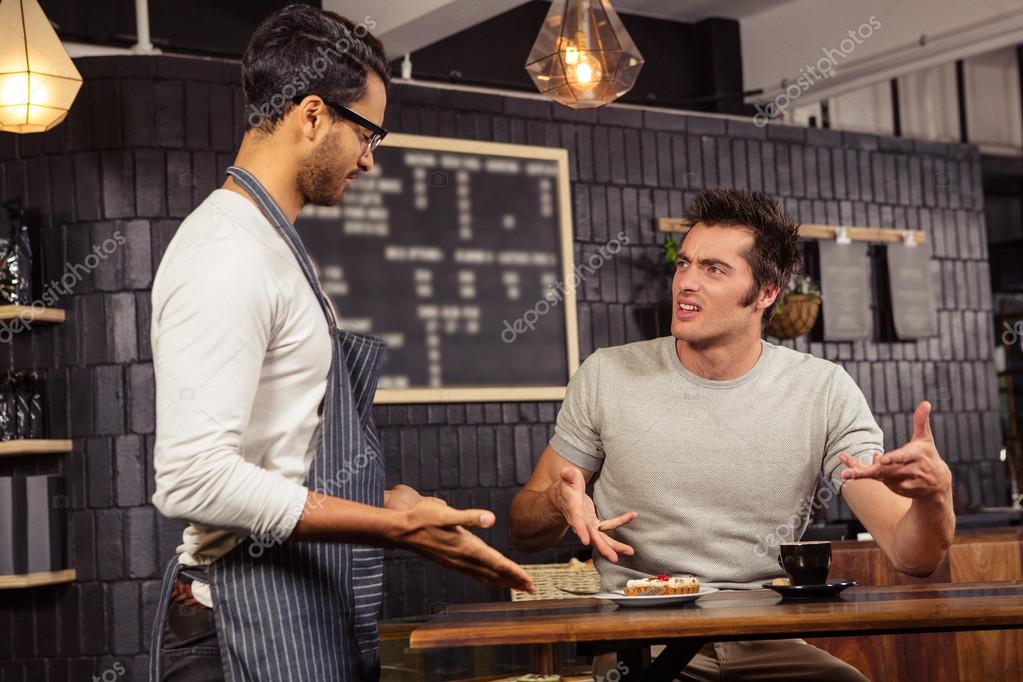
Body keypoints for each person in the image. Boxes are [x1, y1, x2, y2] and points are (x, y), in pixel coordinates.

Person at [148, 5, 533, 681]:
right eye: (369, 134)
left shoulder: (272, 249)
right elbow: (193, 477)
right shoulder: (226, 254)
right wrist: (394, 531)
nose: (370, 160)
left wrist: (391, 506)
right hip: (241, 622)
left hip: (298, 605)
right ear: (313, 115)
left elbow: (280, 458)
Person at [509, 187, 954, 680]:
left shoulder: (823, 389)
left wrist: (935, 498)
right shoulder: (607, 375)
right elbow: (523, 529)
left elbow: (910, 555)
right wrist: (557, 502)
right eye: (684, 264)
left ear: (766, 293)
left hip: (765, 638)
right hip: (644, 643)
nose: (686, 283)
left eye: (713, 269)